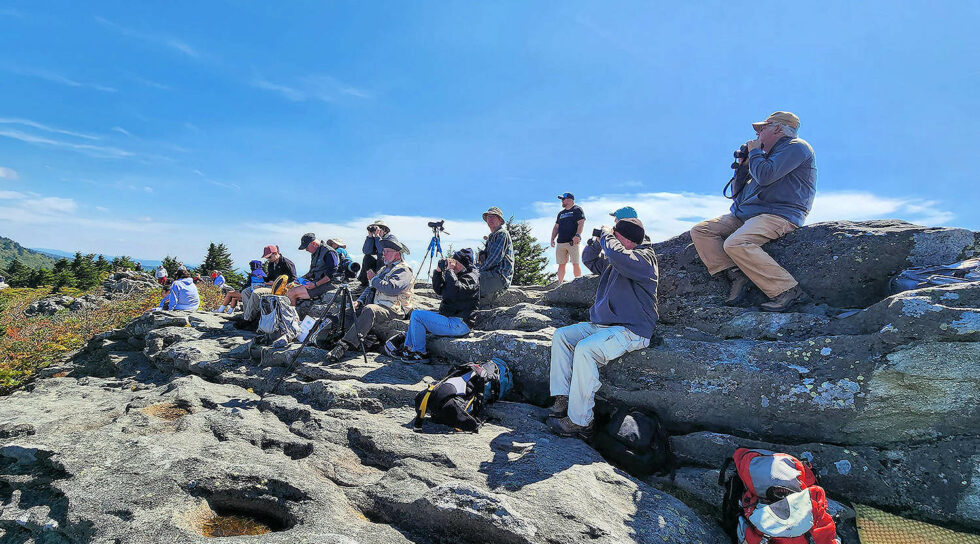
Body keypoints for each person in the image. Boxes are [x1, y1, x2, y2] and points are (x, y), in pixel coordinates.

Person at [690, 111, 817, 312]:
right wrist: (742, 169)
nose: (757, 134)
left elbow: (766, 177)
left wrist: (756, 153)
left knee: (737, 243)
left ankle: (786, 290)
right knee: (701, 230)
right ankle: (737, 275)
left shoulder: (797, 147)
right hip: (747, 215)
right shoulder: (765, 157)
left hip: (779, 214)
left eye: (762, 128)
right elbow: (738, 197)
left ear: (777, 128)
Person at [548, 217, 659, 440]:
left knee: (586, 350)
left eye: (616, 237)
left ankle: (581, 421)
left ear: (626, 241)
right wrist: (597, 241)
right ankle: (563, 398)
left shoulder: (644, 260)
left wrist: (608, 236)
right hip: (604, 326)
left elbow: (618, 254)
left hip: (631, 330)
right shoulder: (619, 259)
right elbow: (590, 260)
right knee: (562, 336)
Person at [329, 239, 414, 360]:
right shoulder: (385, 269)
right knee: (348, 312)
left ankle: (343, 346)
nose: (383, 254)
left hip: (395, 308)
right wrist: (359, 301)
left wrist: (374, 279)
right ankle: (360, 340)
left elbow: (392, 289)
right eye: (383, 251)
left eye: (387, 251)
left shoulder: (404, 270)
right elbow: (370, 288)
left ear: (397, 254)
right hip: (379, 306)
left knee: (370, 310)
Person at [395, 248, 479, 362]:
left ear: (464, 264)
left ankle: (420, 353)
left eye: (456, 263)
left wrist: (449, 271)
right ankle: (408, 348)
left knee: (417, 315)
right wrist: (438, 271)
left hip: (460, 323)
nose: (453, 265)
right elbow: (439, 290)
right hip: (451, 318)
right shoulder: (458, 274)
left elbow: (454, 291)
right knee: (416, 315)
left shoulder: (471, 277)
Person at [240, 245, 298, 322]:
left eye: (269, 257)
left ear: (276, 253)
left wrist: (275, 283)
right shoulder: (271, 264)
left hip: (280, 289)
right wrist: (263, 279)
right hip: (270, 286)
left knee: (256, 293)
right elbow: (270, 277)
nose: (268, 259)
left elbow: (293, 278)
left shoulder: (287, 263)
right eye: (267, 258)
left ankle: (247, 319)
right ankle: (248, 315)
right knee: (245, 292)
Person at [287, 233, 339, 305]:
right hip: (317, 281)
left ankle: (291, 315)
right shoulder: (315, 252)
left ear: (314, 243)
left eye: (307, 247)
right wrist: (300, 279)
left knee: (292, 293)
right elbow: (312, 271)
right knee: (288, 289)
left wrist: (315, 284)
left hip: (329, 283)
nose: (306, 250)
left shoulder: (328, 252)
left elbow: (331, 274)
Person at [477, 206, 514, 303]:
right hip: (491, 275)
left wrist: (476, 272)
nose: (490, 219)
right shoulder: (492, 236)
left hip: (499, 277)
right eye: (489, 217)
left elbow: (495, 258)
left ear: (500, 220)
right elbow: (486, 260)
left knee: (469, 282)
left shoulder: (502, 234)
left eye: (494, 217)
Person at [550, 192, 586, 284]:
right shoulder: (561, 213)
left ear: (570, 200)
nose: (562, 201)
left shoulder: (577, 210)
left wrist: (577, 235)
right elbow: (556, 227)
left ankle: (578, 283)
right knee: (561, 264)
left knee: (575, 262)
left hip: (572, 242)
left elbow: (581, 223)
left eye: (563, 199)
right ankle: (560, 284)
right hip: (561, 242)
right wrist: (552, 238)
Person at [359, 220, 399, 286]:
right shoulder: (374, 239)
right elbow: (366, 251)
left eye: (379, 229)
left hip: (391, 266)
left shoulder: (391, 238)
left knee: (382, 256)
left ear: (385, 230)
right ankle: (364, 282)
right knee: (367, 257)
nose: (377, 231)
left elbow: (383, 251)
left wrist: (378, 237)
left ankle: (379, 281)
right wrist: (370, 237)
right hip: (381, 266)